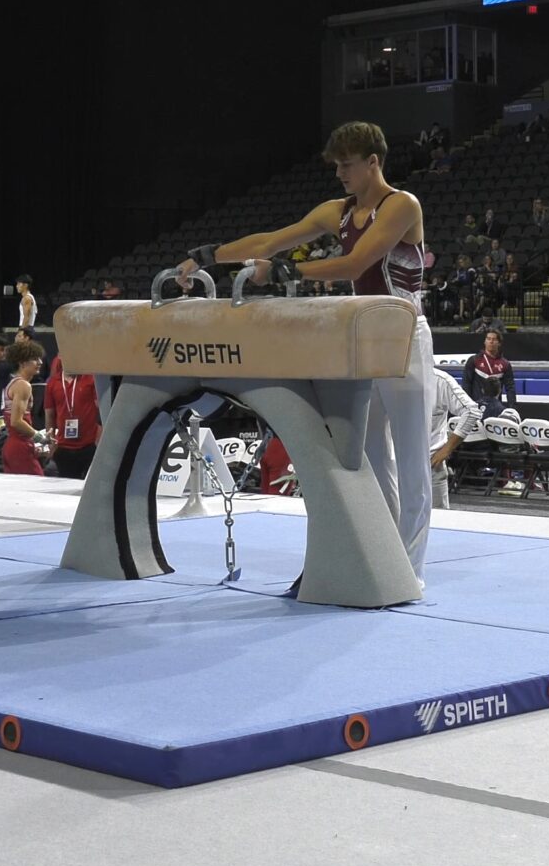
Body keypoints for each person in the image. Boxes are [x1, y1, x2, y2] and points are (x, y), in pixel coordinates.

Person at [175, 119, 435, 578]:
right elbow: (271, 242)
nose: (340, 175)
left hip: (405, 336)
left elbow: (357, 261)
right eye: (336, 166)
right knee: (373, 460)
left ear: (374, 162)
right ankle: (384, 560)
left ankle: (410, 571)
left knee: (412, 461)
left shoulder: (402, 206)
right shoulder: (336, 211)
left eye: (348, 166)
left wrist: (286, 274)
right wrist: (210, 253)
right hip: (364, 339)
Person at [427, 368, 483, 510]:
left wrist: (446, 449)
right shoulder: (389, 378)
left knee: (438, 520)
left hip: (431, 464)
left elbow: (471, 411)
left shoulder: (440, 380)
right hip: (396, 465)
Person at [43, 354, 101, 480]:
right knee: (68, 485)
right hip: (63, 447)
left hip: (89, 445)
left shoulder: (90, 379)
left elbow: (101, 411)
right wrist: (51, 442)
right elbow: (49, 415)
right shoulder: (53, 383)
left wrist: (99, 441)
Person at [1, 340, 50, 476]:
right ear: (22, 363)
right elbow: (16, 421)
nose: (40, 362)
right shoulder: (23, 386)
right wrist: (39, 437)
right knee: (37, 490)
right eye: (35, 359)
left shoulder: (13, 383)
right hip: (19, 446)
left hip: (14, 445)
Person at [462, 328, 516, 416]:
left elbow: (510, 388)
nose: (491, 342)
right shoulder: (474, 360)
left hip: (495, 409)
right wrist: (467, 405)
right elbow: (466, 384)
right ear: (485, 342)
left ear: (499, 343)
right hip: (475, 407)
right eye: (488, 339)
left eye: (494, 339)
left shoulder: (505, 364)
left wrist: (512, 409)